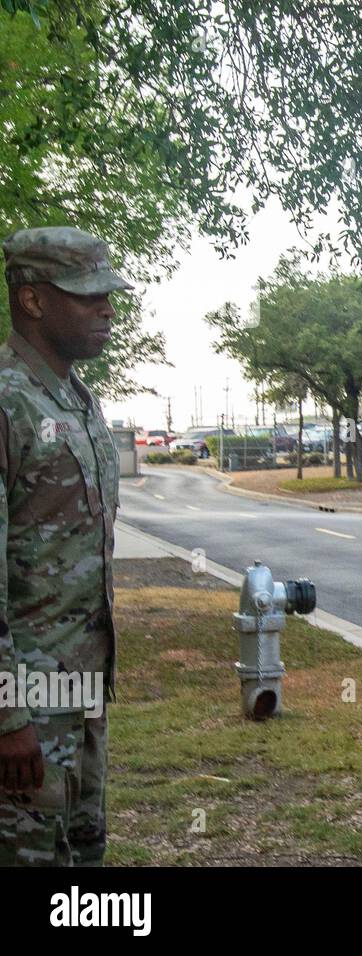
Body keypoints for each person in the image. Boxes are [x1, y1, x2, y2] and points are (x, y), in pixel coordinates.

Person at [0, 226, 130, 866]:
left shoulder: (79, 402)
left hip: (78, 695)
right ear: (32, 301)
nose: (107, 309)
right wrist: (7, 716)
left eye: (108, 294)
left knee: (82, 859)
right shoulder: (6, 403)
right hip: (23, 709)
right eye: (87, 295)